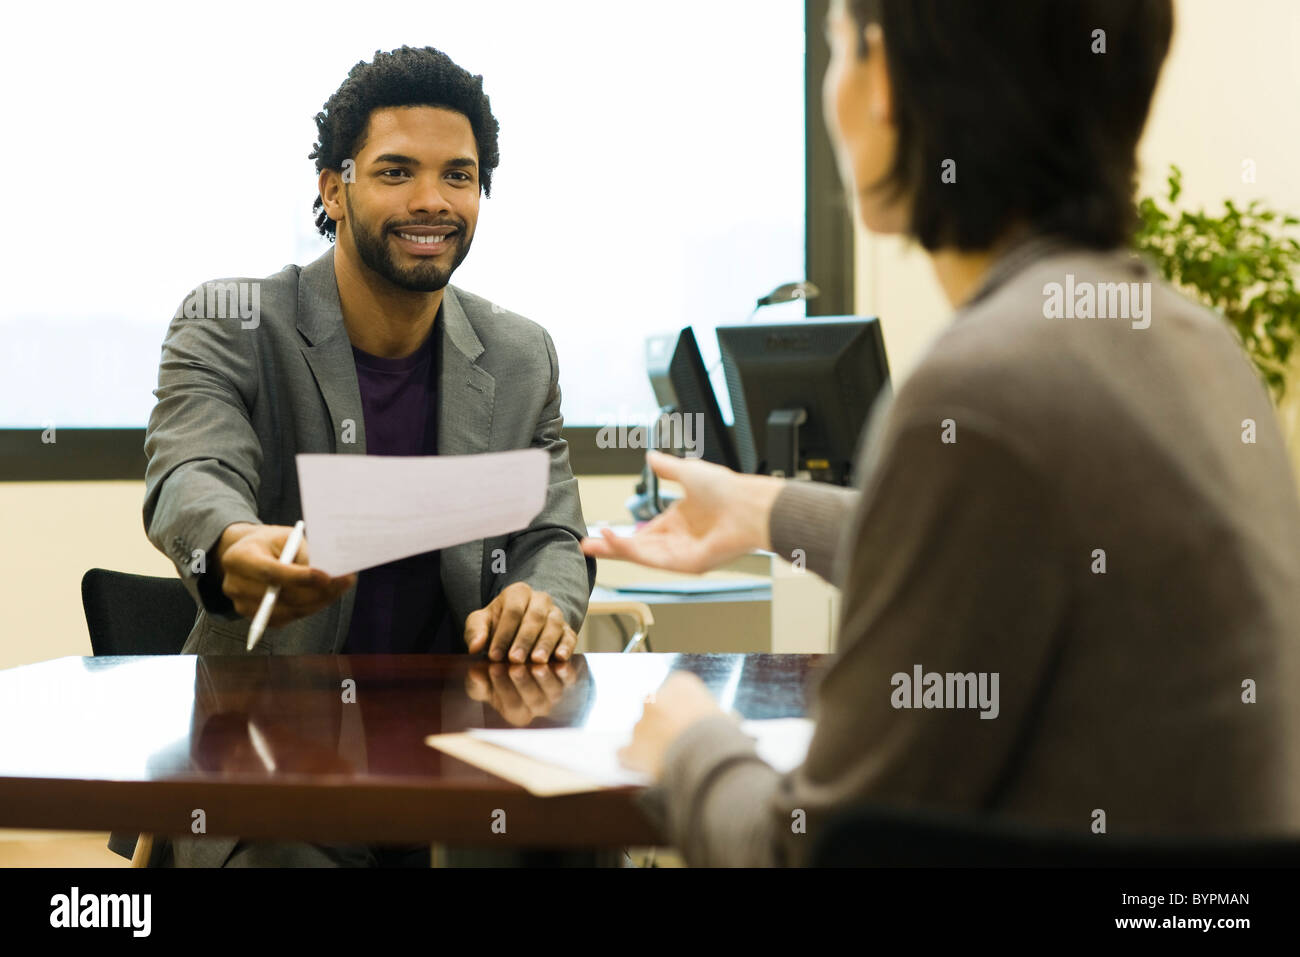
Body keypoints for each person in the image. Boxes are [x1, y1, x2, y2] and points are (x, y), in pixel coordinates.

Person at [584, 0, 1300, 866]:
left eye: (836, 48)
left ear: (883, 81)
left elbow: (805, 851)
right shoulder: (1193, 343)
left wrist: (689, 742)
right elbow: (1016, 546)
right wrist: (765, 509)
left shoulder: (983, 391)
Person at [133, 46, 594, 867]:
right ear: (333, 188)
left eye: (459, 175)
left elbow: (551, 535)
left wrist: (538, 599)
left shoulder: (522, 354)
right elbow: (189, 476)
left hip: (467, 758)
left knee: (583, 848)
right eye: (395, 172)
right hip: (271, 762)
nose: (432, 201)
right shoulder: (233, 322)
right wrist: (237, 544)